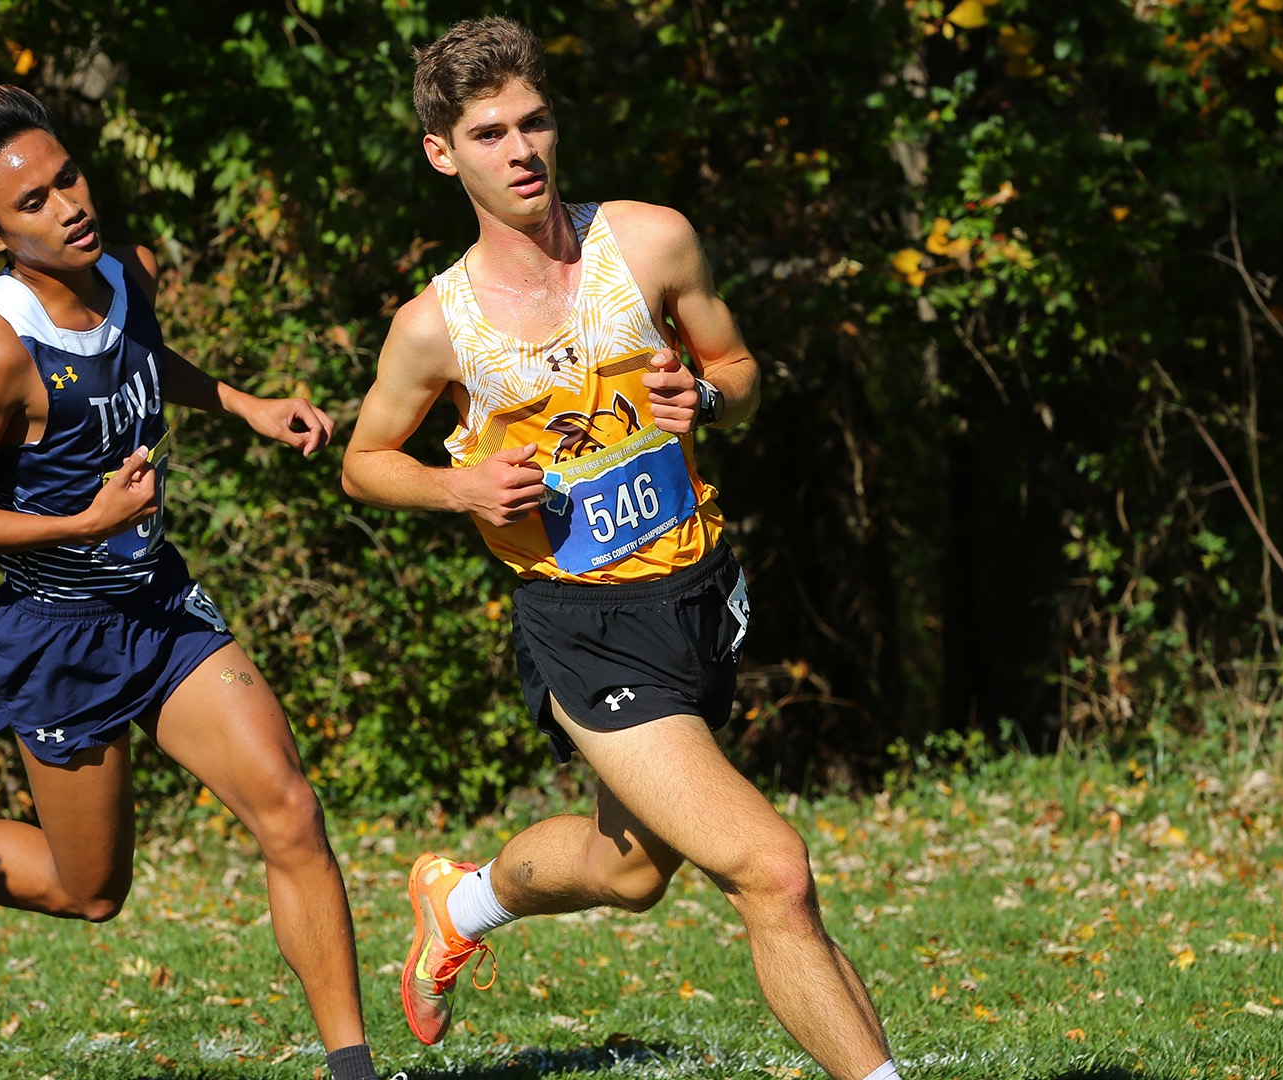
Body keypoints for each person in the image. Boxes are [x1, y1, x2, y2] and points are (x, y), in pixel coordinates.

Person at [340, 17, 903, 1080]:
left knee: (631, 868)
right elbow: (365, 460)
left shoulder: (650, 243)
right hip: (582, 622)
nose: (522, 150)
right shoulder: (436, 327)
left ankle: (456, 902)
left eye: (535, 121)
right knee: (772, 870)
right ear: (441, 153)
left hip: (696, 590)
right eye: (490, 132)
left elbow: (736, 364)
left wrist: (709, 399)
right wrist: (458, 485)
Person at [0, 79, 382, 1080]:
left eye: (67, 178)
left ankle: (354, 1071)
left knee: (290, 810)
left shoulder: (121, 271)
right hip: (59, 636)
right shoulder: (0, 348)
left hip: (156, 605)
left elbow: (147, 362)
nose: (69, 204)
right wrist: (86, 519)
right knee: (89, 892)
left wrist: (241, 403)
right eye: (32, 203)